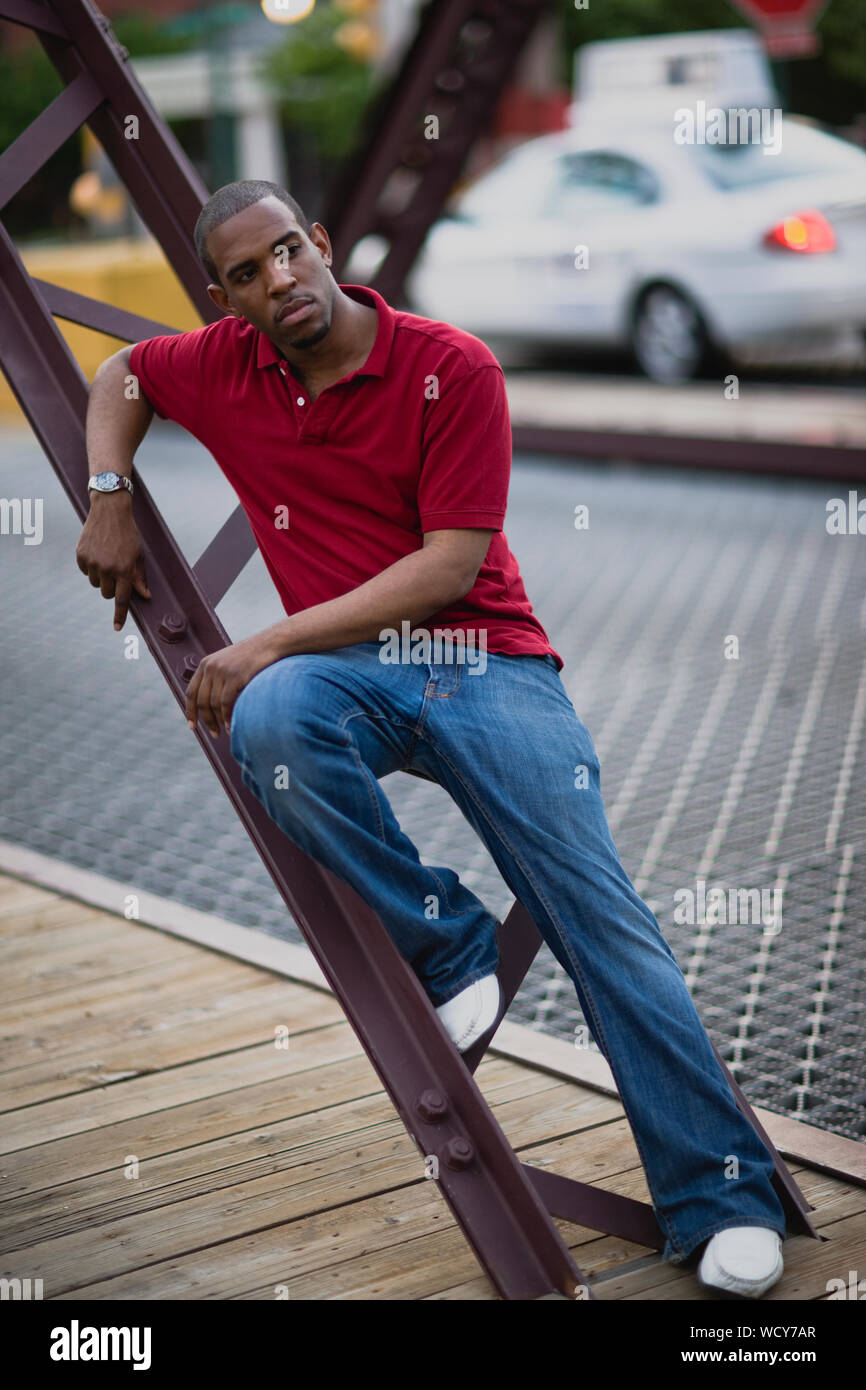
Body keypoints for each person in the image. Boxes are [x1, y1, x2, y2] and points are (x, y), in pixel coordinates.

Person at [76, 179, 788, 1299]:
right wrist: (108, 488)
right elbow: (120, 372)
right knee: (269, 721)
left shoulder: (449, 365)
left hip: (486, 663)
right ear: (226, 299)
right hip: (347, 684)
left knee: (597, 917)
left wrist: (267, 637)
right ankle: (445, 941)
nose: (278, 283)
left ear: (318, 245)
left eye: (286, 254)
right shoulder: (221, 363)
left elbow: (447, 568)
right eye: (248, 276)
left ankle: (721, 1198)